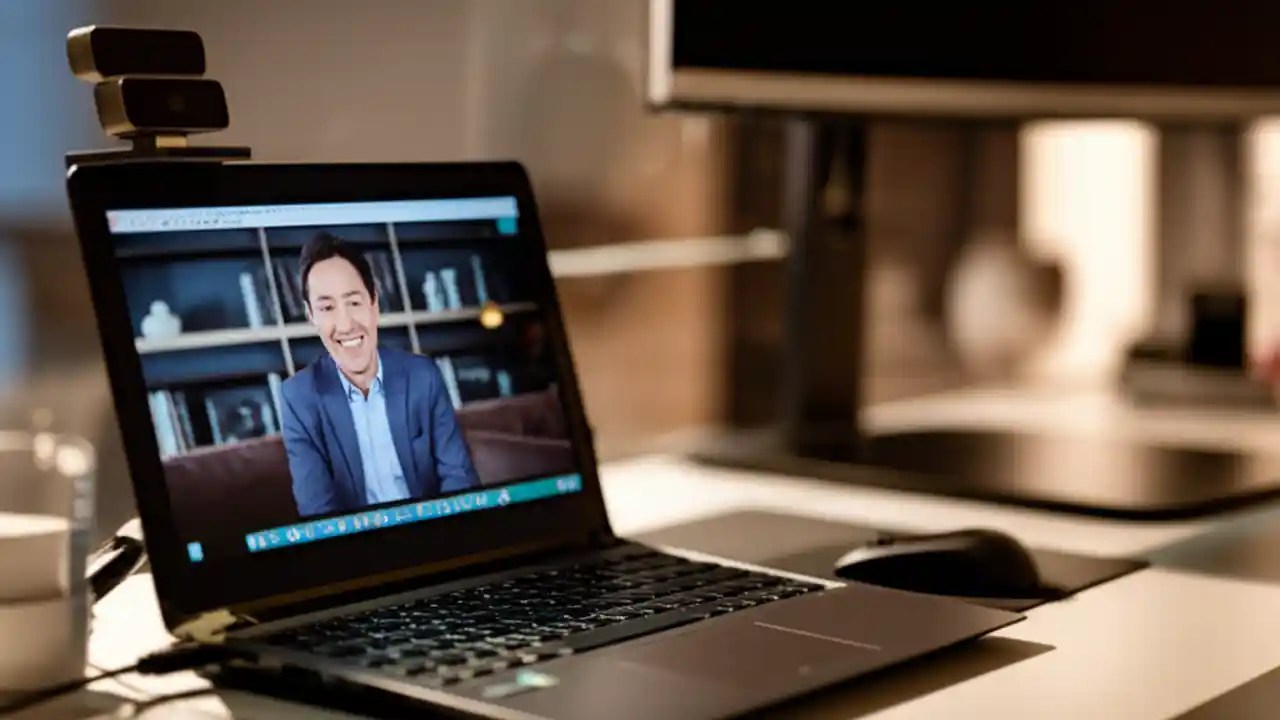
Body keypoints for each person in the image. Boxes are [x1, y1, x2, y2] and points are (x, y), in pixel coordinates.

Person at [282, 232, 478, 517]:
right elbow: (319, 514)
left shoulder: (423, 376)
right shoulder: (298, 398)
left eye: (354, 302)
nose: (345, 324)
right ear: (311, 315)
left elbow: (459, 481)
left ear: (374, 303)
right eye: (327, 308)